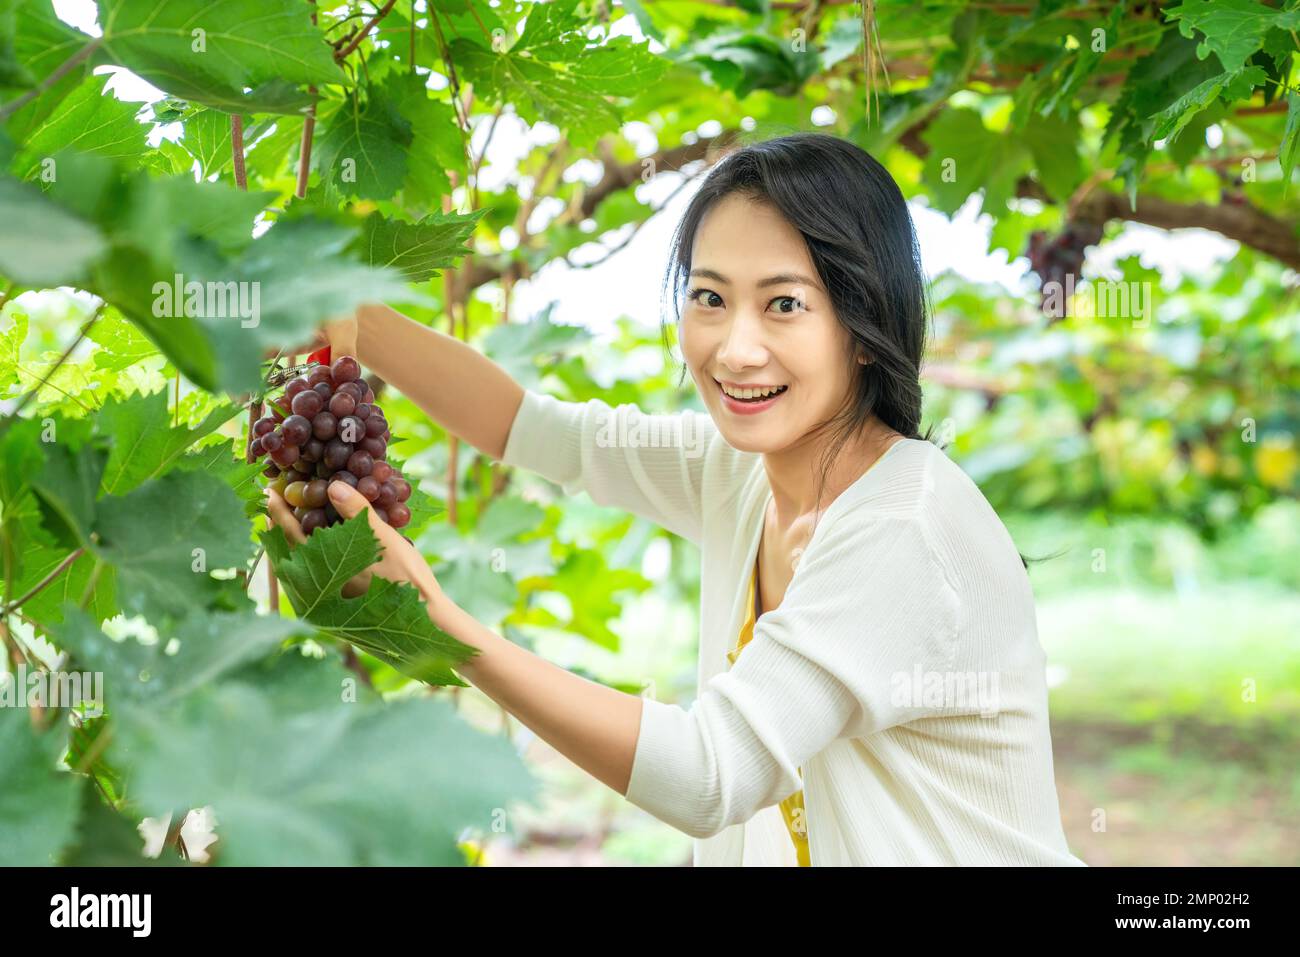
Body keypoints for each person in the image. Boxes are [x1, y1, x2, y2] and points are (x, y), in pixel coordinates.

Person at [268, 131, 1087, 866]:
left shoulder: (901, 530)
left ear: (863, 323)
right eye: (709, 297)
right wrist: (359, 319)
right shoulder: (744, 469)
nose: (735, 347)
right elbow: (535, 428)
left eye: (785, 303)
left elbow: (709, 772)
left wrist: (435, 622)